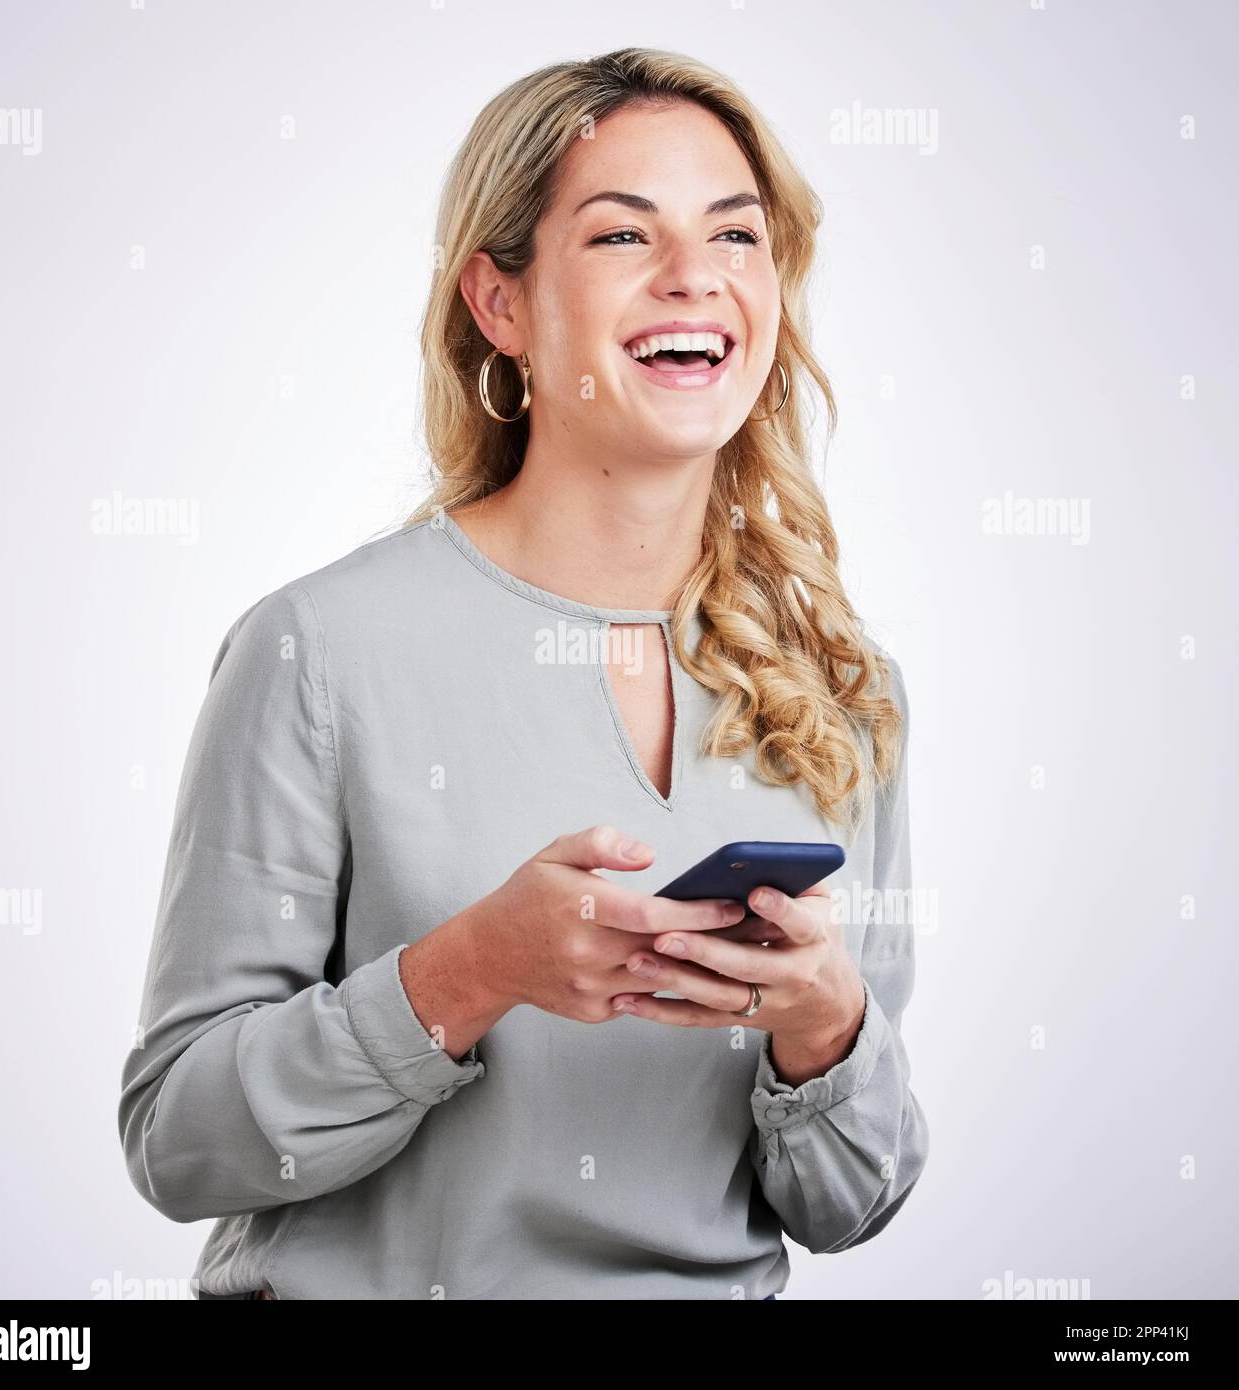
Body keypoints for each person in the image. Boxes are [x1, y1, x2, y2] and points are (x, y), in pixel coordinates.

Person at [118, 46, 930, 1301]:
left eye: (736, 234)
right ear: (499, 305)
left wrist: (826, 1030)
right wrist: (471, 969)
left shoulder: (838, 680)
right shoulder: (319, 651)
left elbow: (848, 1203)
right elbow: (182, 1141)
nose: (695, 277)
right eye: (621, 236)